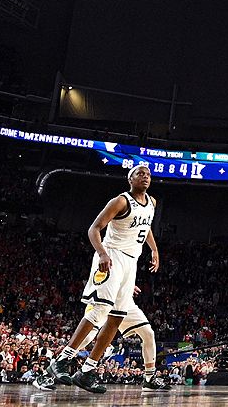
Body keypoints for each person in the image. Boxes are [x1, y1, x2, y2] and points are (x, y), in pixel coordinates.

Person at [37, 165, 162, 394]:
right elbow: (94, 229)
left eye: (148, 174)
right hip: (112, 256)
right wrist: (103, 253)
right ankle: (61, 362)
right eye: (140, 174)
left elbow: (147, 226)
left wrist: (154, 249)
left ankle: (88, 371)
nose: (145, 177)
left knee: (116, 318)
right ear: (130, 179)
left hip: (131, 262)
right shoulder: (120, 201)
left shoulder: (152, 203)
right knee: (98, 313)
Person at [36, 284, 170, 391]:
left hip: (124, 299)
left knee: (148, 333)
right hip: (106, 294)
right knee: (87, 338)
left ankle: (149, 379)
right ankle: (45, 375)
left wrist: (128, 284)